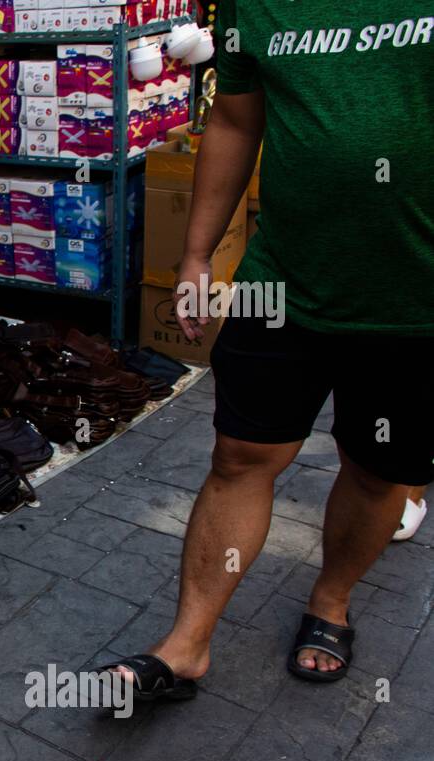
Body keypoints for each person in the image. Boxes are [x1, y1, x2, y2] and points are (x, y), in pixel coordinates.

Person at [103, 2, 433, 695]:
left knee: (376, 471)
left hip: (414, 304)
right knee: (240, 456)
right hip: (281, 283)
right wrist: (195, 256)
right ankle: (188, 644)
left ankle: (331, 601)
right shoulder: (255, 3)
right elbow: (234, 119)